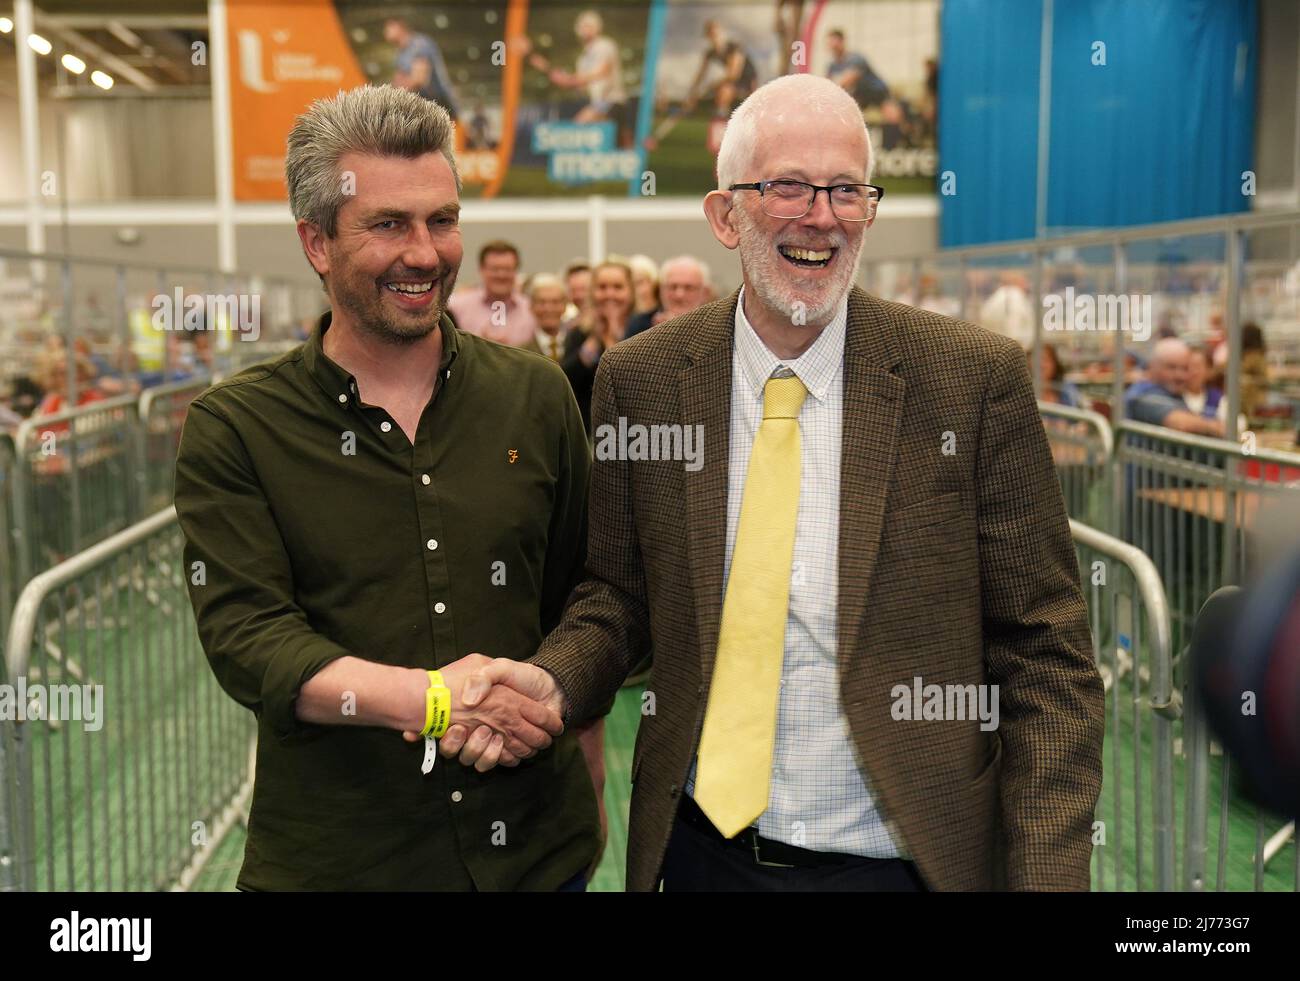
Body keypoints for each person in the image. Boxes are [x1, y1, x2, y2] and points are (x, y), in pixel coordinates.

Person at [445, 74, 1105, 892]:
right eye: (787, 185)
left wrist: (1047, 877)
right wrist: (550, 678)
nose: (819, 214)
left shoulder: (970, 381)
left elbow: (1045, 656)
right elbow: (616, 598)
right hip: (700, 855)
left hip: (905, 865)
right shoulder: (643, 379)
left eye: (845, 191)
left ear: (869, 210)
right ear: (725, 214)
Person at [173, 86, 604, 891]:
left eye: (442, 220)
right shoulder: (237, 428)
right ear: (317, 241)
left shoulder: (535, 396)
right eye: (387, 224)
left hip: (538, 859)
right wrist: (435, 701)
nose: (425, 252)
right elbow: (249, 637)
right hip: (344, 864)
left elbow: (588, 595)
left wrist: (558, 702)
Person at [561, 259, 635, 433]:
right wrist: (595, 339)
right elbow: (567, 381)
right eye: (602, 287)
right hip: (591, 430)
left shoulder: (645, 328)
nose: (610, 294)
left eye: (618, 287)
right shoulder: (579, 333)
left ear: (631, 291)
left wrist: (616, 334)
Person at [1124, 337, 1224, 437]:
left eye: (1185, 368)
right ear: (1153, 366)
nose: (1180, 375)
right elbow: (1181, 423)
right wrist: (1218, 427)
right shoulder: (1143, 394)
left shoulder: (1173, 393)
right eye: (1171, 367)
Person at [445, 241, 538, 347]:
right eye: (495, 269)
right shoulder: (456, 306)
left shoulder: (532, 309)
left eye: (507, 269)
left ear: (516, 270)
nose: (501, 275)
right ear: (481, 270)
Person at [385, 17, 461, 121]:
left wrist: (394, 94)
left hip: (443, 107)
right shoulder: (399, 54)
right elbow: (397, 82)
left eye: (389, 27)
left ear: (400, 26)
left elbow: (419, 80)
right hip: (426, 108)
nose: (385, 32)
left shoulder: (420, 44)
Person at [626, 255, 711, 337]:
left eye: (688, 288)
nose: (679, 295)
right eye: (673, 287)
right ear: (661, 290)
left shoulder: (715, 325)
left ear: (704, 292)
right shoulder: (640, 325)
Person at [524, 273, 572, 362]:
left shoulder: (576, 345)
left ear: (565, 306)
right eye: (542, 302)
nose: (549, 309)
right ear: (531, 306)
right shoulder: (522, 352)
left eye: (555, 302)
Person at [1183, 345, 1223, 420]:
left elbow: (1237, 423)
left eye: (1197, 367)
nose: (1193, 371)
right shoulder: (1174, 395)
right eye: (1187, 366)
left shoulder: (1218, 398)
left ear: (1209, 371)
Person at [1039, 343, 1084, 409]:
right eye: (1037, 360)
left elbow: (1079, 413)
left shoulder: (1067, 389)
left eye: (1046, 360)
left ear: (1054, 363)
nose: (1042, 365)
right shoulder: (1027, 392)